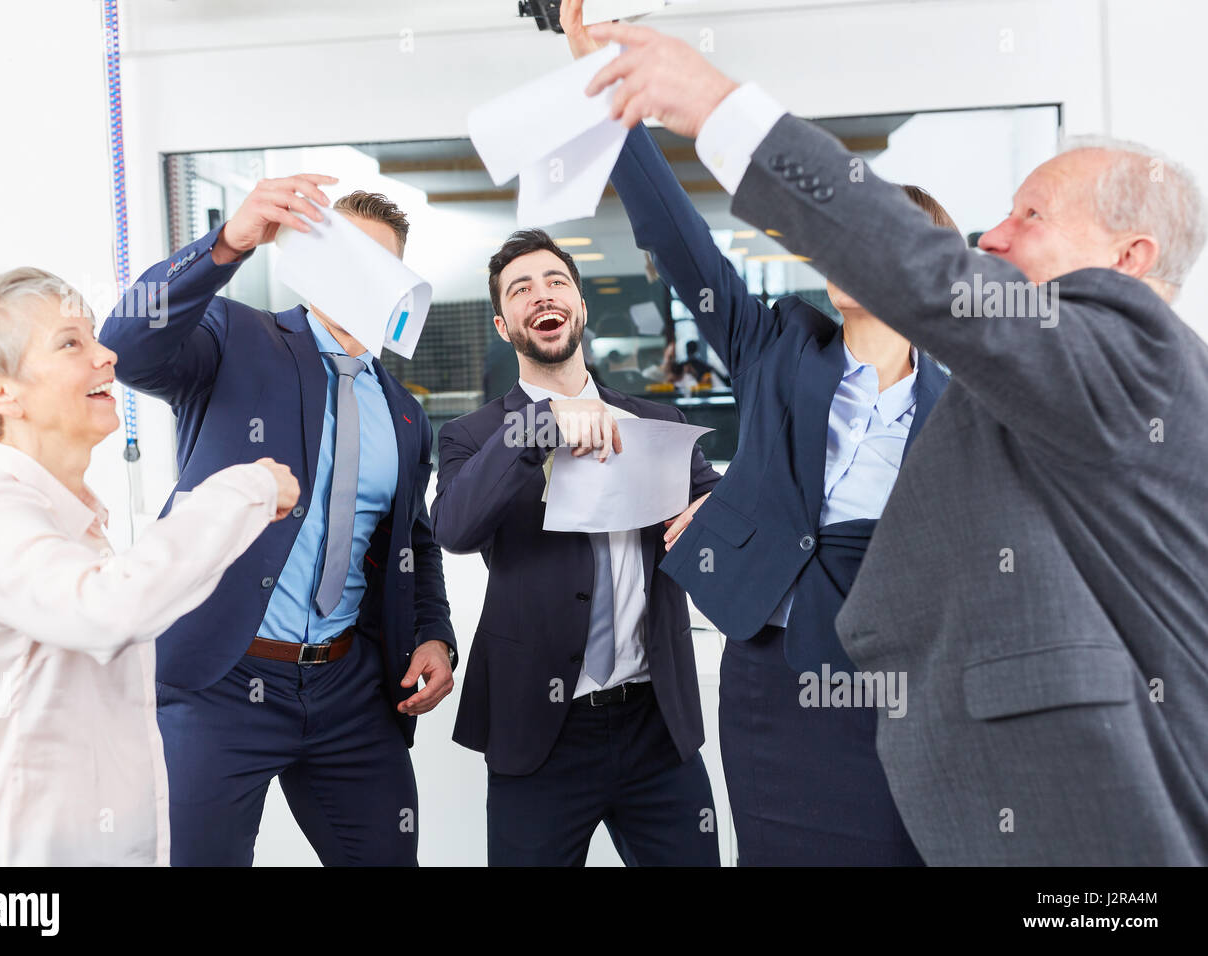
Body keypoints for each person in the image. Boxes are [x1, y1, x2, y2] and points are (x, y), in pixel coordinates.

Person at [582, 17, 1208, 864]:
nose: (994, 236)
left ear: (1131, 257)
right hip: (787, 665)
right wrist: (731, 504)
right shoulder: (785, 350)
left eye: (1031, 214)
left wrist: (719, 107)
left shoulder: (1075, 369)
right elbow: (678, 243)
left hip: (950, 699)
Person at [561, 0, 953, 866]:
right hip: (768, 672)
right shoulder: (779, 345)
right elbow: (678, 238)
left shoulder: (966, 407)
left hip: (887, 680)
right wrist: (609, 90)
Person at [97, 180, 456, 866]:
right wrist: (227, 244)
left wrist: (436, 634)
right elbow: (126, 345)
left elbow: (415, 541)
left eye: (380, 264)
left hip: (350, 689)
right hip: (220, 683)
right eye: (345, 255)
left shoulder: (405, 411)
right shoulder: (238, 336)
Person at [0, 269, 300, 865]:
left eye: (94, 336)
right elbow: (111, 610)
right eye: (71, 342)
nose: (105, 356)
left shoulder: (73, 529)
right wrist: (244, 490)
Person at [431, 228, 722, 866]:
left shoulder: (658, 424)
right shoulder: (470, 436)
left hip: (657, 725)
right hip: (540, 731)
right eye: (521, 290)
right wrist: (540, 426)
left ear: (580, 307)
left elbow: (730, 514)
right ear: (504, 323)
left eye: (556, 281)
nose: (542, 296)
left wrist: (715, 508)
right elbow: (453, 528)